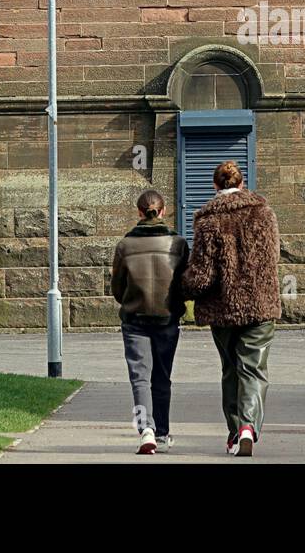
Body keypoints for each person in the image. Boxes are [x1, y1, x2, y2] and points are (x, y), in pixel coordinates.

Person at [181, 160, 281, 457]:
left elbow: (202, 275)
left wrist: (182, 289)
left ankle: (235, 431)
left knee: (230, 370)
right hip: (260, 305)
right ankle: (249, 427)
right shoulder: (264, 212)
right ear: (243, 184)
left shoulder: (207, 220)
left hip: (223, 309)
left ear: (215, 186)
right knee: (254, 369)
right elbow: (272, 256)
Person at [110, 189, 189, 455]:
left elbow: (117, 289)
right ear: (163, 211)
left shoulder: (125, 245)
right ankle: (163, 433)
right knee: (162, 378)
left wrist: (131, 300)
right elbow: (184, 284)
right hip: (167, 319)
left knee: (139, 378)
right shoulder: (178, 244)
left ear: (139, 213)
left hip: (135, 320)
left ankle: (146, 429)